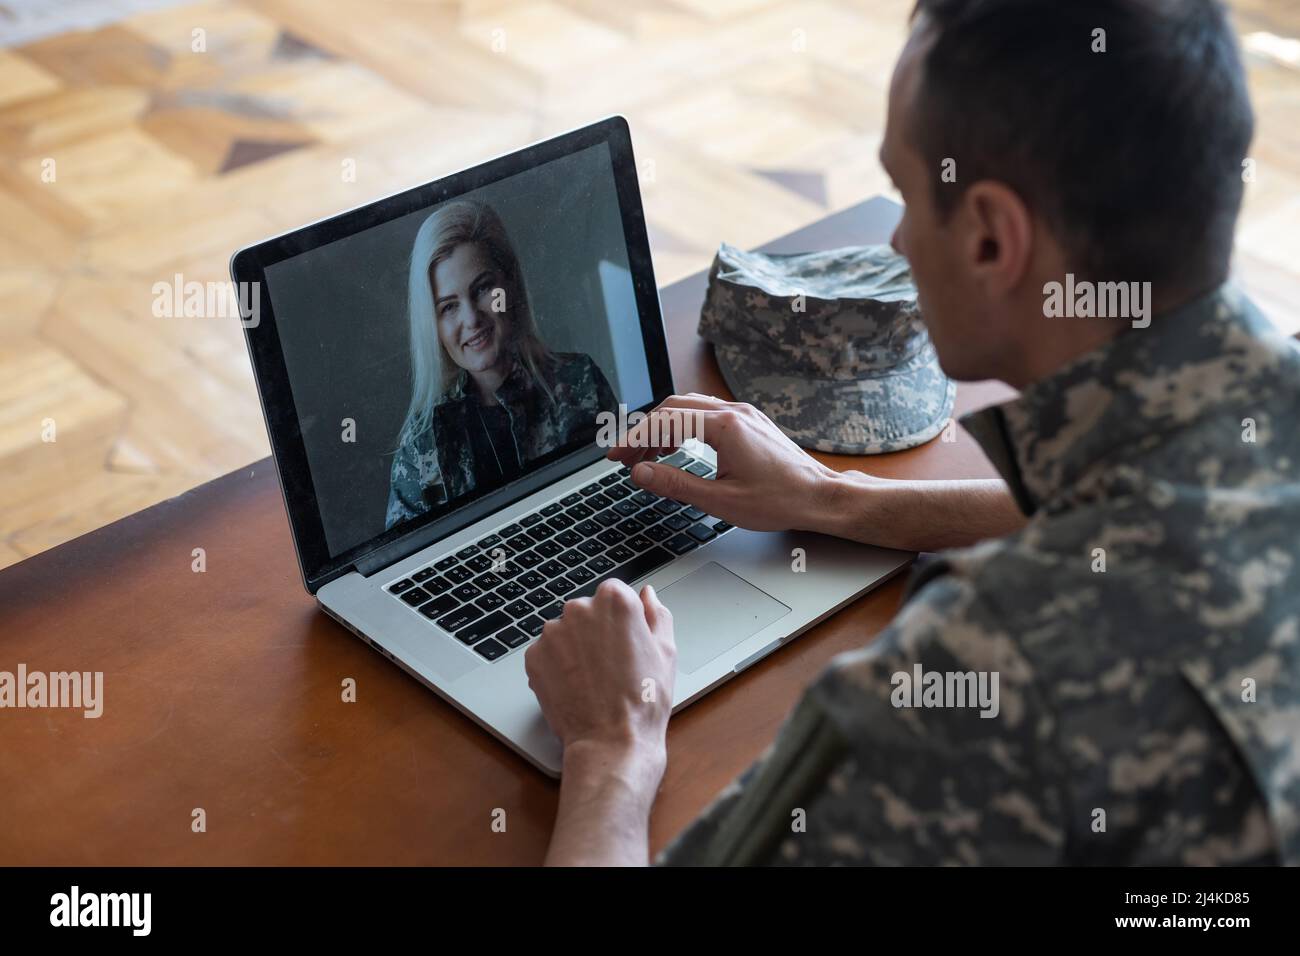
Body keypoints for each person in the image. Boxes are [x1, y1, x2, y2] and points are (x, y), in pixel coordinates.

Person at [524, 0, 1300, 865]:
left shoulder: (978, 674)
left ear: (991, 240)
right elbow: (1136, 509)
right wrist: (838, 498)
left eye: (902, 196)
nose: (895, 239)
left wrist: (610, 753)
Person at [387, 199, 617, 527]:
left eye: (482, 289)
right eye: (448, 307)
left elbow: (624, 481)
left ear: (510, 282)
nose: (471, 319)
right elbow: (400, 563)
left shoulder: (581, 382)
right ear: (432, 325)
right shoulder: (418, 443)